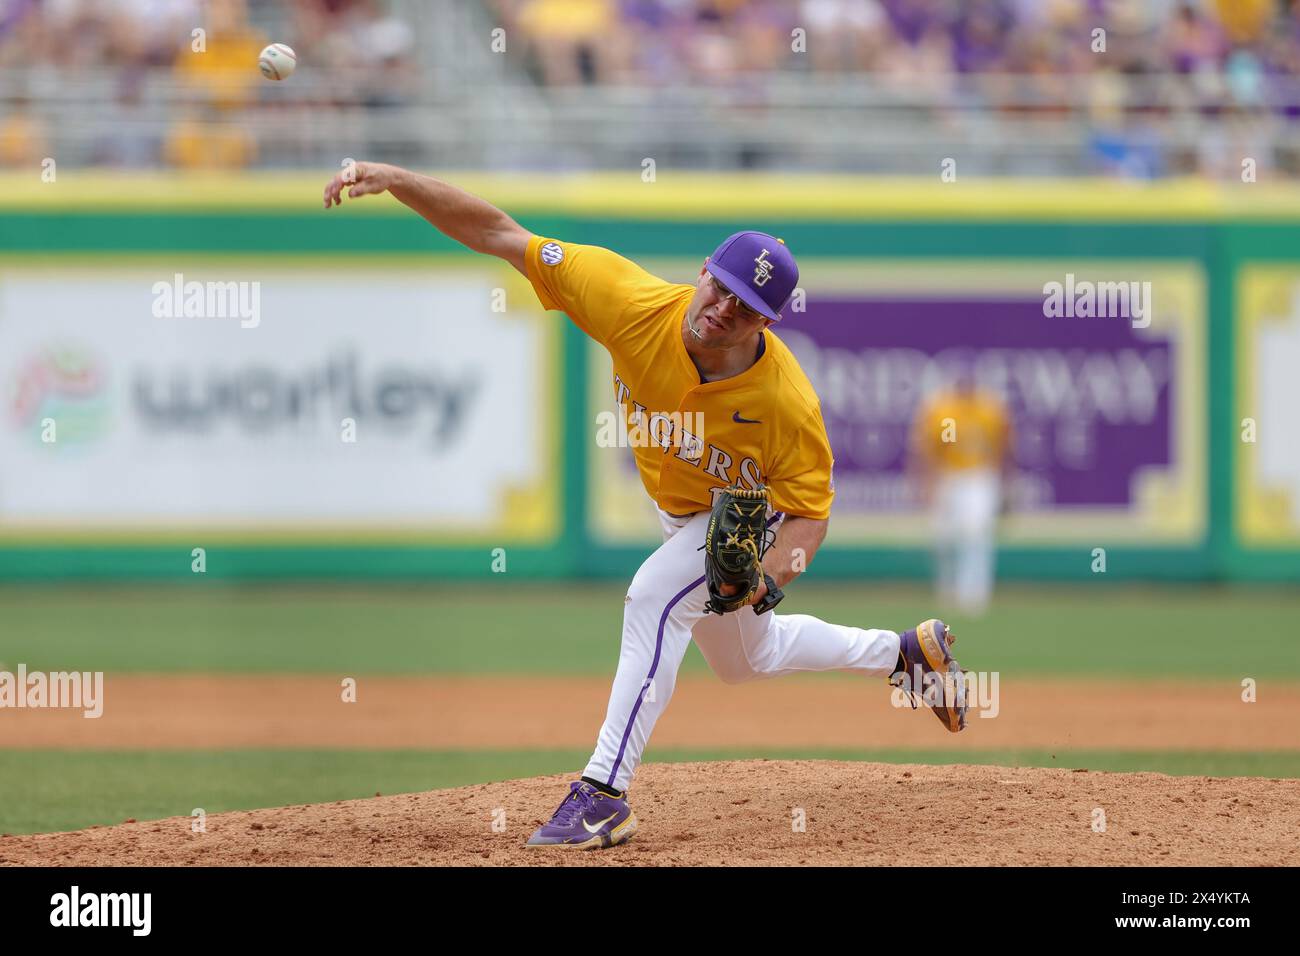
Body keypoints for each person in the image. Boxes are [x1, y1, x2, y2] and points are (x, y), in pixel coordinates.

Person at [322, 162, 968, 850]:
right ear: (703, 272)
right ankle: (904, 656)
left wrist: (769, 576)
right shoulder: (622, 297)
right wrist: (396, 179)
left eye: (747, 307)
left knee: (653, 597)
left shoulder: (785, 400)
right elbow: (498, 233)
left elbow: (811, 510)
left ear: (768, 320)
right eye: (722, 288)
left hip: (751, 517)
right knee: (745, 661)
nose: (724, 309)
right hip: (683, 511)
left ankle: (603, 793)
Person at [908, 375, 1013, 616]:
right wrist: (925, 482)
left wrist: (1007, 483)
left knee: (976, 533)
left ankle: (973, 596)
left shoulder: (990, 407)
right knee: (943, 537)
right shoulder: (940, 408)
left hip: (979, 476)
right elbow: (926, 450)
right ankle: (947, 591)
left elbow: (1004, 449)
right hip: (948, 475)